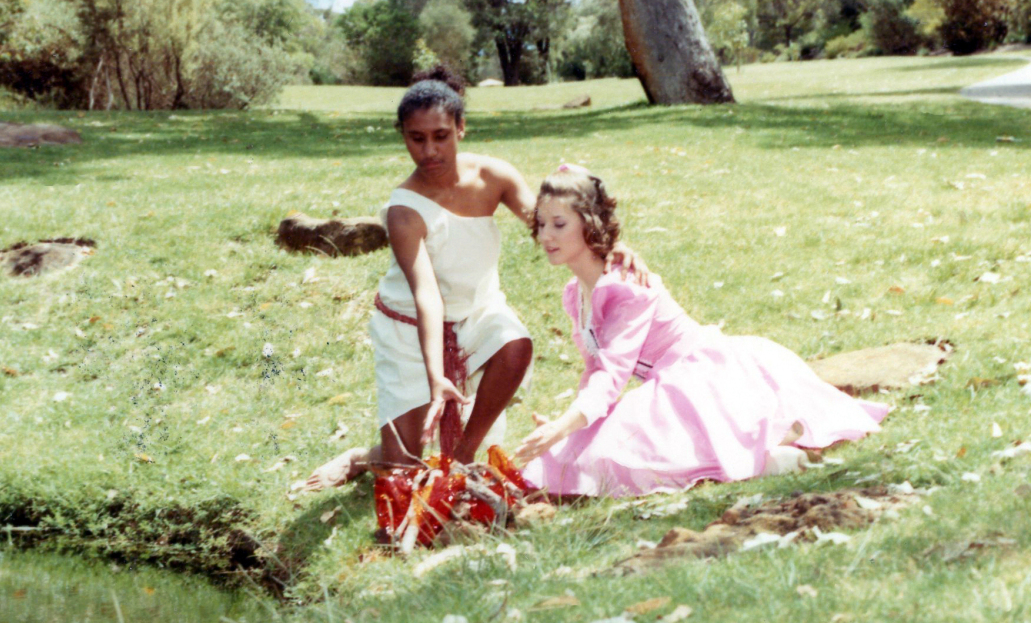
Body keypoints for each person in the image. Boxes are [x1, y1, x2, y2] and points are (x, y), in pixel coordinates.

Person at [302, 69, 641, 491]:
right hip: (409, 328)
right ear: (403, 136)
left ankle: (461, 458)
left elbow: (550, 225)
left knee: (514, 342)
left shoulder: (494, 176)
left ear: (461, 128)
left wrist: (607, 247)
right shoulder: (403, 210)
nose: (429, 150)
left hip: (477, 312)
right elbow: (426, 295)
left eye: (441, 135)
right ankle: (361, 458)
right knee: (401, 471)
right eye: (416, 138)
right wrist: (435, 374)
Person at [513, 165, 888, 496]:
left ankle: (772, 454)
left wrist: (565, 428)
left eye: (559, 224)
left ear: (589, 223)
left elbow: (612, 375)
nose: (546, 235)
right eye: (542, 223)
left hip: (702, 375)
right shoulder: (575, 293)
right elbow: (596, 368)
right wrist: (574, 426)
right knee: (585, 453)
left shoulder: (626, 286)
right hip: (667, 381)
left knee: (625, 457)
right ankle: (769, 451)